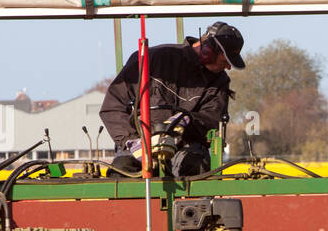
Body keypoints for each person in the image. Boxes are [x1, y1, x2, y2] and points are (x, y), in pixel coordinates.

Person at [99, 21, 245, 177]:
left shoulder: (219, 81)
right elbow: (113, 107)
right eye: (224, 61)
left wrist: (187, 120)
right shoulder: (151, 59)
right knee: (122, 170)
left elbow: (213, 119)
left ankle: (195, 202)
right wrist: (132, 141)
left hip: (184, 147)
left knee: (197, 166)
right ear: (207, 51)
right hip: (139, 145)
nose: (228, 67)